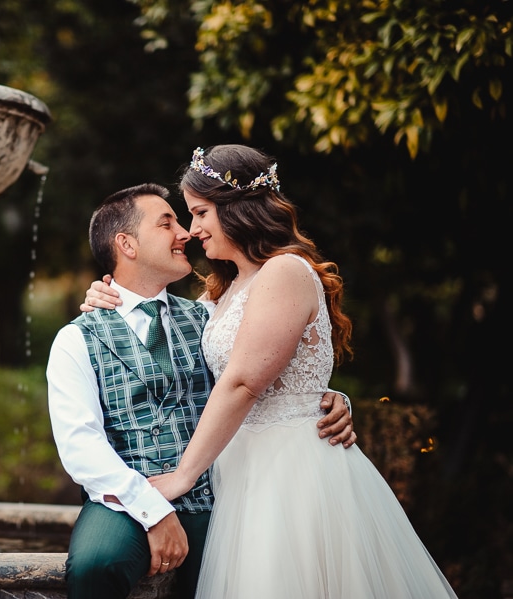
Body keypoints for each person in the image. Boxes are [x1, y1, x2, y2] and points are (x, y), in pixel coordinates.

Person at [86, 145, 457, 598]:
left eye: (200, 213)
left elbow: (244, 380)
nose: (193, 230)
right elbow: (184, 332)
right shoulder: (223, 291)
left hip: (291, 469)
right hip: (239, 469)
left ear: (237, 209)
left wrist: (182, 477)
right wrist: (107, 296)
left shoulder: (284, 270)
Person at [47, 183, 356, 599]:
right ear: (127, 244)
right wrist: (152, 511)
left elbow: (265, 365)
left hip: (222, 492)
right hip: (132, 492)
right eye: (167, 223)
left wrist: (325, 396)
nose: (186, 233)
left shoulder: (212, 316)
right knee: (96, 564)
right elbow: (80, 446)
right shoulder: (76, 340)